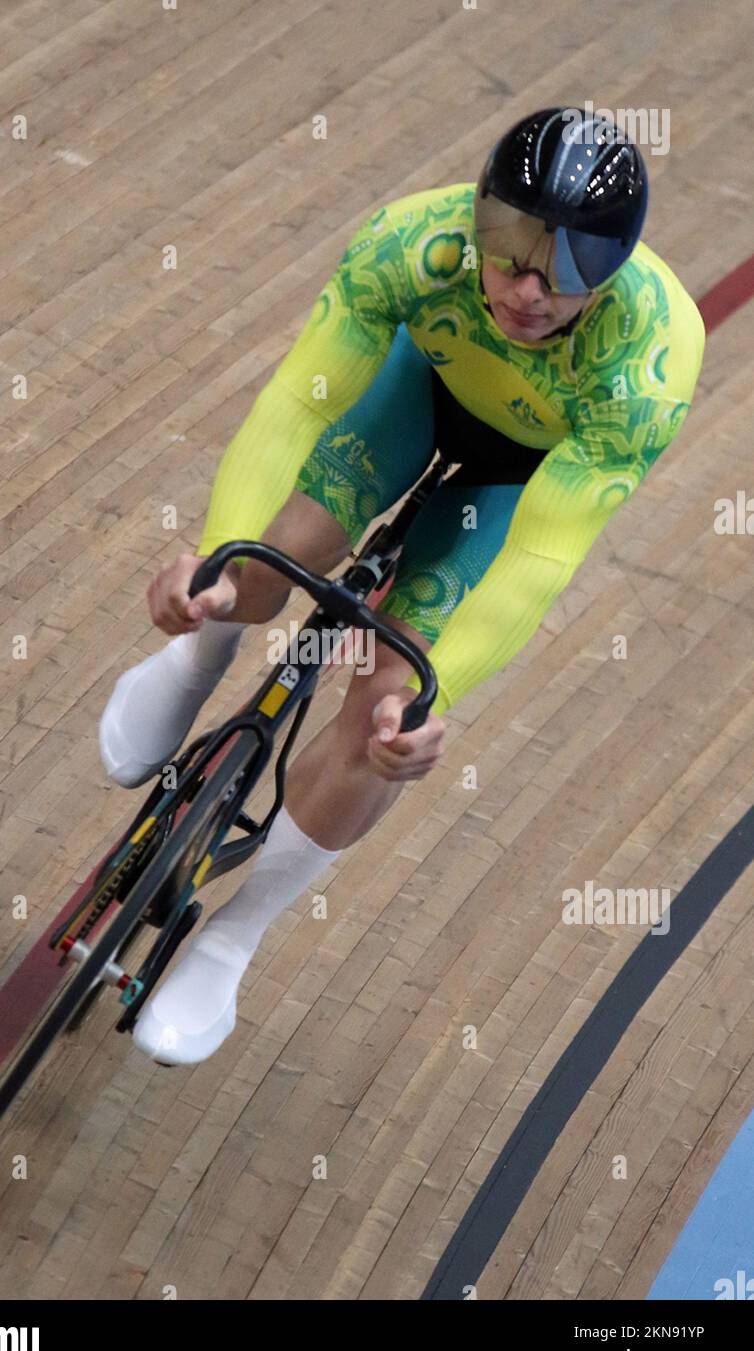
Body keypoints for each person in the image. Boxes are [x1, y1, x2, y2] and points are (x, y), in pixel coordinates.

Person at [99, 107, 705, 1065]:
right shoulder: (412, 246)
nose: (530, 288)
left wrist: (434, 697)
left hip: (512, 483)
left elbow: (540, 557)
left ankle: (231, 940)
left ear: (617, 269)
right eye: (513, 249)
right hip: (415, 396)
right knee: (264, 563)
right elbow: (296, 407)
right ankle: (195, 658)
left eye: (571, 267)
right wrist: (215, 564)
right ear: (479, 217)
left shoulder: (646, 365)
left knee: (386, 715)